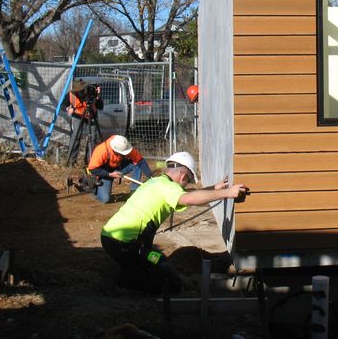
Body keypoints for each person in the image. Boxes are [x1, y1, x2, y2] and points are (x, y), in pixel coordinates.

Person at [100, 151, 248, 294]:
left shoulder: (157, 182)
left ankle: (130, 271)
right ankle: (124, 282)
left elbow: (186, 194)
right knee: (171, 282)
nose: (187, 183)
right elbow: (188, 199)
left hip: (110, 238)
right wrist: (228, 193)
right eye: (189, 180)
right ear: (183, 175)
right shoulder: (168, 188)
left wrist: (214, 188)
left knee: (158, 261)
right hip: (126, 246)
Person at [86, 135, 152, 204]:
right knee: (105, 199)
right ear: (115, 150)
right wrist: (110, 174)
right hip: (105, 173)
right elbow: (92, 169)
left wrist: (151, 178)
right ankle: (95, 190)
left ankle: (134, 192)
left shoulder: (124, 146)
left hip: (119, 167)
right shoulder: (101, 151)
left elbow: (140, 161)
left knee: (137, 165)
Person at [63, 78, 103, 165]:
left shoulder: (92, 93)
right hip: (77, 116)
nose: (80, 92)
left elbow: (100, 106)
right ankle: (70, 162)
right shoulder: (70, 94)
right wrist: (68, 108)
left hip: (92, 116)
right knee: (75, 137)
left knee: (93, 139)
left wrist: (98, 96)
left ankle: (90, 162)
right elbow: (63, 104)